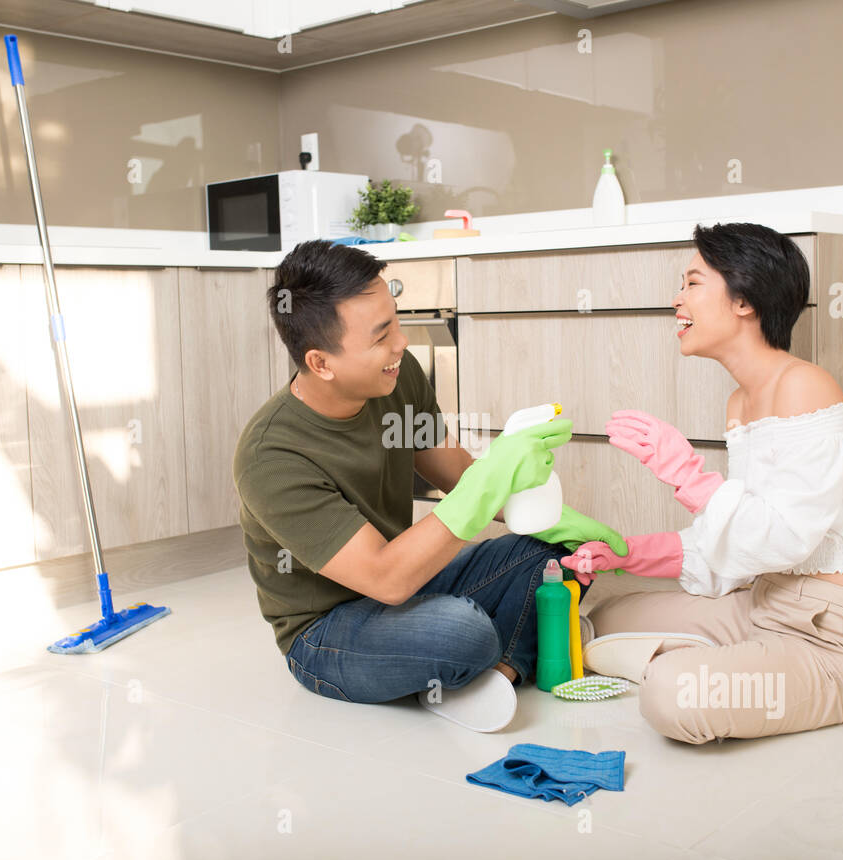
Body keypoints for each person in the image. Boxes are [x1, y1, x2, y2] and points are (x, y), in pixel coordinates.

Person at [233, 239, 626, 732]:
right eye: (380, 337)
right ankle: (492, 653)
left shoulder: (398, 379)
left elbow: (458, 476)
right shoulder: (271, 456)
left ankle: (496, 675)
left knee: (552, 555)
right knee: (462, 632)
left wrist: (545, 513)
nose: (400, 343)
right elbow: (385, 578)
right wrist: (490, 479)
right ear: (320, 363)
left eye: (396, 321)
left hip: (406, 581)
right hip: (327, 632)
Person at [563, 222, 843, 745]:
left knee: (672, 695)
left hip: (831, 641)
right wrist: (626, 554)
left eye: (692, 283)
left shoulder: (806, 385)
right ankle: (726, 663)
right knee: (604, 612)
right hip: (760, 604)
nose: (677, 299)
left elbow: (785, 540)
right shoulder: (740, 402)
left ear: (744, 299)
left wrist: (685, 473)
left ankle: (700, 668)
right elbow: (741, 540)